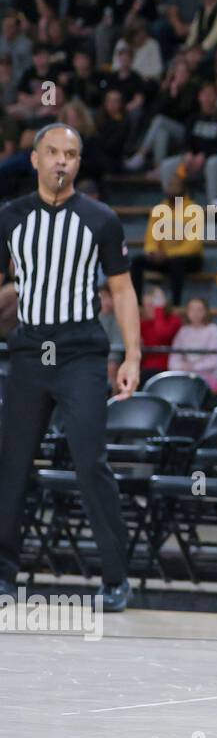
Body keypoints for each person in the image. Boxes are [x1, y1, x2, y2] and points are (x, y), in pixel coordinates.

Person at [0, 123, 142, 611]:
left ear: (79, 164)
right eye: (54, 152)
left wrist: (133, 354)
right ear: (35, 159)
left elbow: (122, 290)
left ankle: (116, 579)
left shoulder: (101, 219)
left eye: (72, 154)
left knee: (89, 460)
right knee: (12, 464)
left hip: (81, 351)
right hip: (27, 351)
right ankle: (2, 576)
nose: (62, 161)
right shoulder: (10, 217)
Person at [133, 182, 204, 306]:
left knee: (177, 263)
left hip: (189, 259)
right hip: (164, 257)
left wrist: (167, 254)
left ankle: (176, 305)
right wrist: (152, 252)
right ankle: (137, 304)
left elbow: (194, 245)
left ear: (184, 194)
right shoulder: (159, 209)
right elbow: (151, 238)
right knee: (136, 262)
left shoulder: (193, 210)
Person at [168, 296, 217, 391]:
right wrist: (182, 367)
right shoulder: (183, 331)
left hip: (207, 379)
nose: (195, 313)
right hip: (185, 377)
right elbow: (173, 358)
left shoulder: (214, 331)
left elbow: (214, 361)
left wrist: (193, 367)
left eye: (199, 310)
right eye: (192, 309)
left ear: (206, 312)